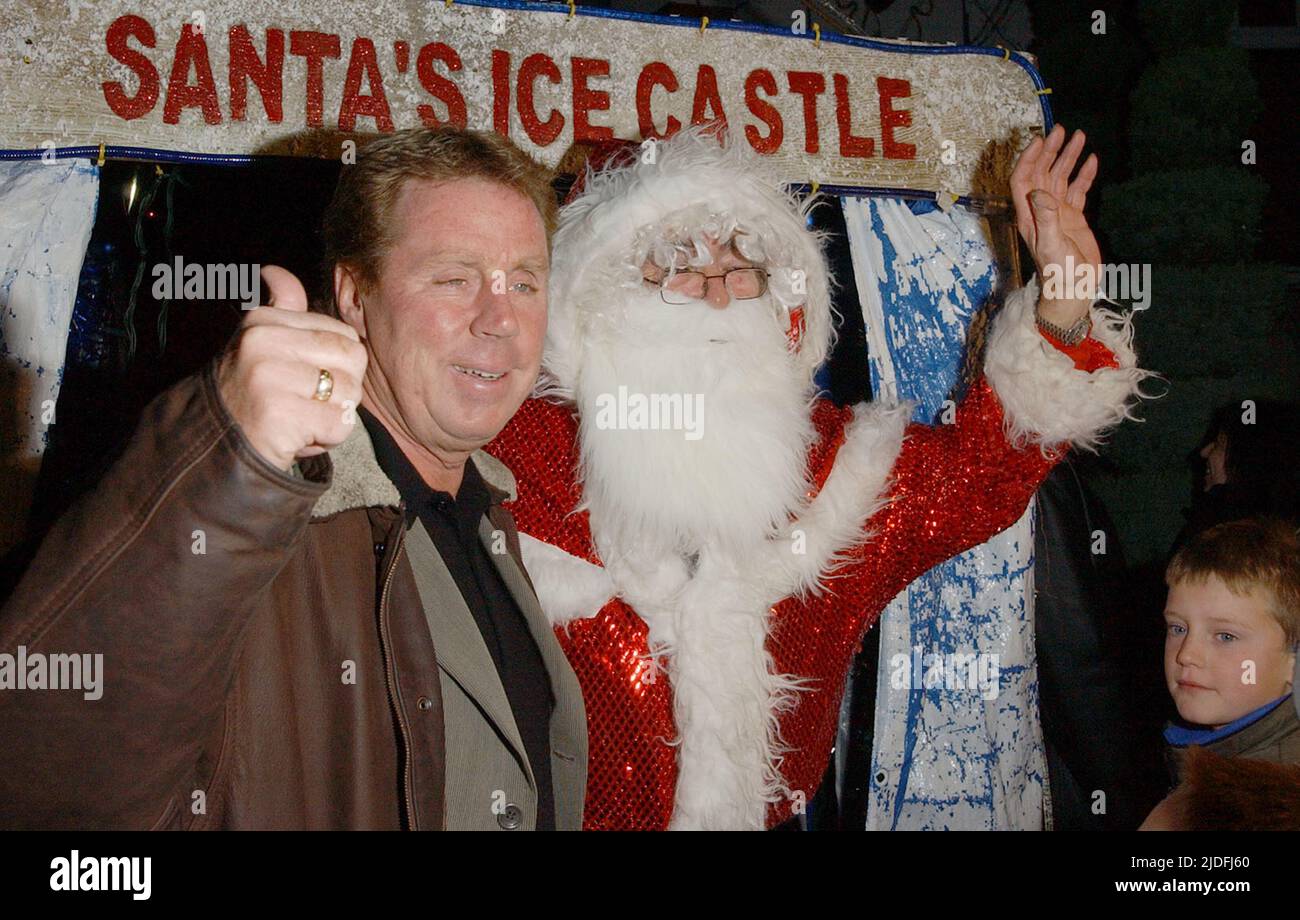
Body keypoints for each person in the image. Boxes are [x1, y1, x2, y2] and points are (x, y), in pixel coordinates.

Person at [486, 123, 1155, 829]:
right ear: (597, 297)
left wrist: (1068, 298)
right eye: (676, 262)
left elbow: (981, 475)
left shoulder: (835, 469)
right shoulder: (510, 457)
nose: (717, 296)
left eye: (741, 266)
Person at [0, 127, 586, 831]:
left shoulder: (488, 509)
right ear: (353, 295)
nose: (500, 320)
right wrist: (227, 459)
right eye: (454, 278)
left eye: (524, 280)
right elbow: (45, 775)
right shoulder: (263, 508)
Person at [1141, 516, 1300, 830]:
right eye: (1177, 627)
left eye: (1225, 636)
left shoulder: (1272, 808)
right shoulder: (1219, 757)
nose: (1186, 654)